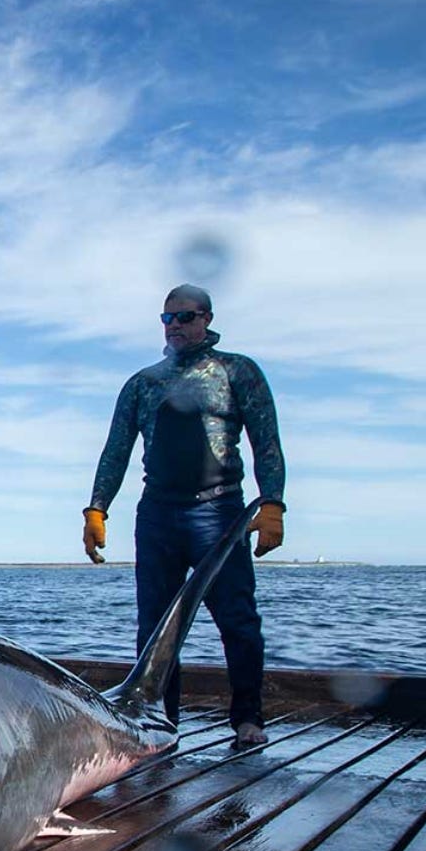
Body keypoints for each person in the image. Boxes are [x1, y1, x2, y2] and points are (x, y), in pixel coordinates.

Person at [82, 283, 286, 745]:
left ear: (207, 319)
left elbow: (266, 441)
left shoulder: (238, 372)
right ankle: (158, 722)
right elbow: (115, 451)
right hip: (157, 515)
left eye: (186, 317)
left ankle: (248, 719)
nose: (175, 326)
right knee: (154, 626)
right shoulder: (142, 383)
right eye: (167, 319)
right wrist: (97, 508)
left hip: (219, 513)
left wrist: (271, 502)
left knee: (237, 619)